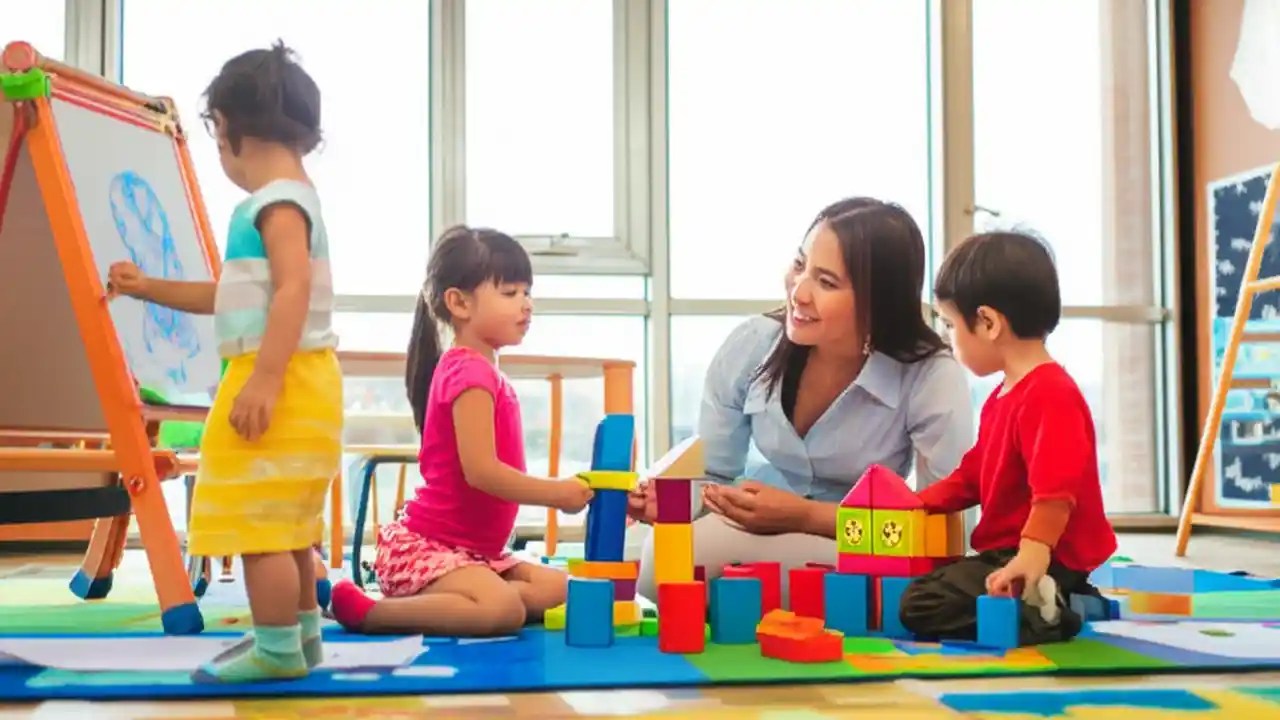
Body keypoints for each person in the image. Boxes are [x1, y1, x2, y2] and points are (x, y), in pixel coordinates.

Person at [107, 41, 341, 682]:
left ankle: (274, 651)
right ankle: (299, 641)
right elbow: (235, 296)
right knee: (287, 525)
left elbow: (292, 289)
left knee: (258, 522)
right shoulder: (294, 200)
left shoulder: (276, 204)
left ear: (228, 130)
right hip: (302, 377)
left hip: (284, 377)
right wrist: (147, 287)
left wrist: (264, 377)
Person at [630, 198, 975, 601]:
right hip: (748, 523)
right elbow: (714, 475)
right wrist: (668, 498)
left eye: (826, 282)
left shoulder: (931, 375)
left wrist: (806, 516)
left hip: (864, 543)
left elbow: (945, 527)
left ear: (878, 301)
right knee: (651, 561)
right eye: (799, 265)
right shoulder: (752, 345)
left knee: (905, 592)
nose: (800, 291)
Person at [328, 227, 594, 637]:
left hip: (476, 554)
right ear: (459, 302)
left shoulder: (485, 371)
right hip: (427, 548)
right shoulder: (468, 371)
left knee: (563, 588)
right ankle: (373, 613)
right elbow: (481, 472)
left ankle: (458, 603)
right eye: (510, 294)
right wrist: (557, 494)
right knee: (502, 611)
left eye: (527, 293)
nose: (526, 305)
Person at [898, 230, 1117, 646]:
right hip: (1012, 552)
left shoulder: (1050, 393)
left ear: (988, 322)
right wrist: (915, 503)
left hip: (1045, 553)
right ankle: (1058, 599)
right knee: (933, 584)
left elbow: (1056, 491)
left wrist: (1034, 552)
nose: (948, 337)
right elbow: (973, 477)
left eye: (949, 324)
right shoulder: (1003, 395)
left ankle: (1050, 613)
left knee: (920, 604)